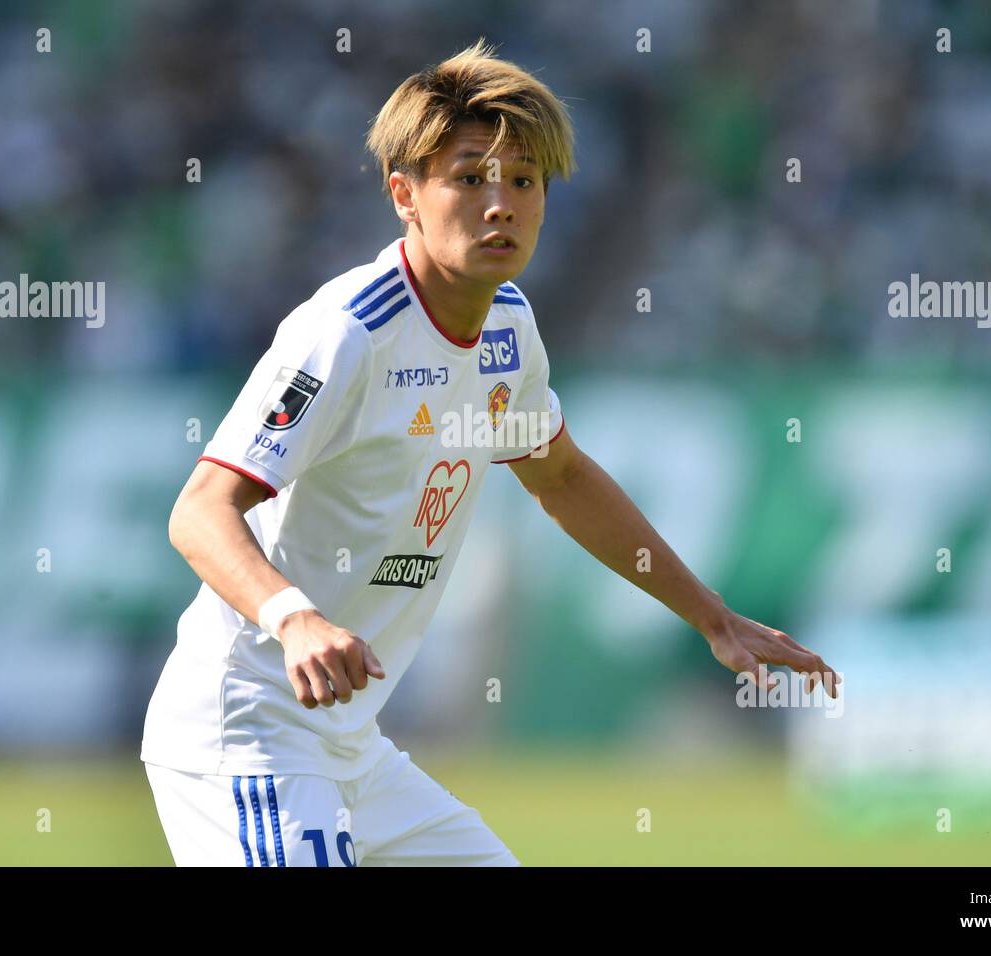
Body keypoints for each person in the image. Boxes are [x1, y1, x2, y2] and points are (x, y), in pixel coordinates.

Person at [141, 38, 839, 867]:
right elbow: (200, 509)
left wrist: (710, 617)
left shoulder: (508, 329)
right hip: (248, 732)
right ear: (405, 193)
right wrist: (294, 621)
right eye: (469, 178)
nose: (499, 203)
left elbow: (562, 477)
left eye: (523, 180)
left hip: (349, 747)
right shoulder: (348, 335)